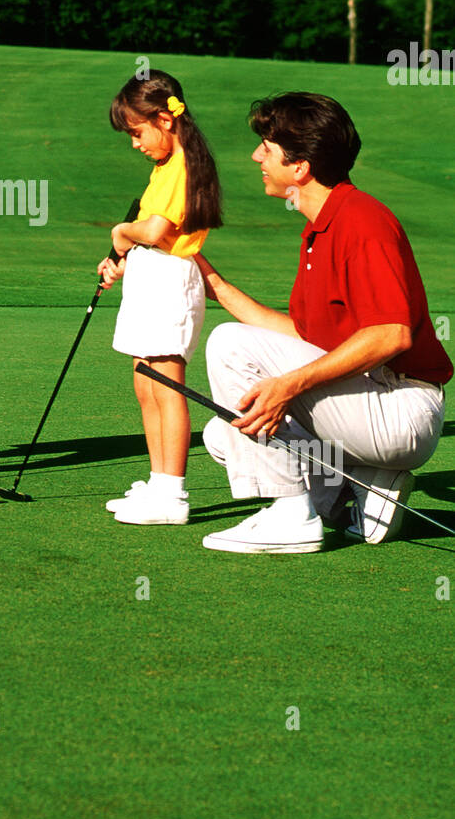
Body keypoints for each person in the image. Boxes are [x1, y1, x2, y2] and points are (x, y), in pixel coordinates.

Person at [196, 91, 452, 553]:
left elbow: (390, 334)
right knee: (224, 434)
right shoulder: (323, 226)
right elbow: (302, 336)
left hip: (400, 406)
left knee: (229, 347)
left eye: (267, 148)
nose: (257, 155)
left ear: (300, 168)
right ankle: (361, 486)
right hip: (369, 405)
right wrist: (208, 276)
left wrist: (289, 385)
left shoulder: (362, 221)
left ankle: (291, 514)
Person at [97, 71, 223, 525]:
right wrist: (124, 260)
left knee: (167, 385)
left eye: (136, 132)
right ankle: (158, 481)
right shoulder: (165, 167)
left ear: (163, 120)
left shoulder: (183, 162)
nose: (134, 143)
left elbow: (151, 230)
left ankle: (172, 495)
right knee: (145, 382)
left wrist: (119, 233)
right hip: (152, 275)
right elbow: (154, 239)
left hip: (170, 282)